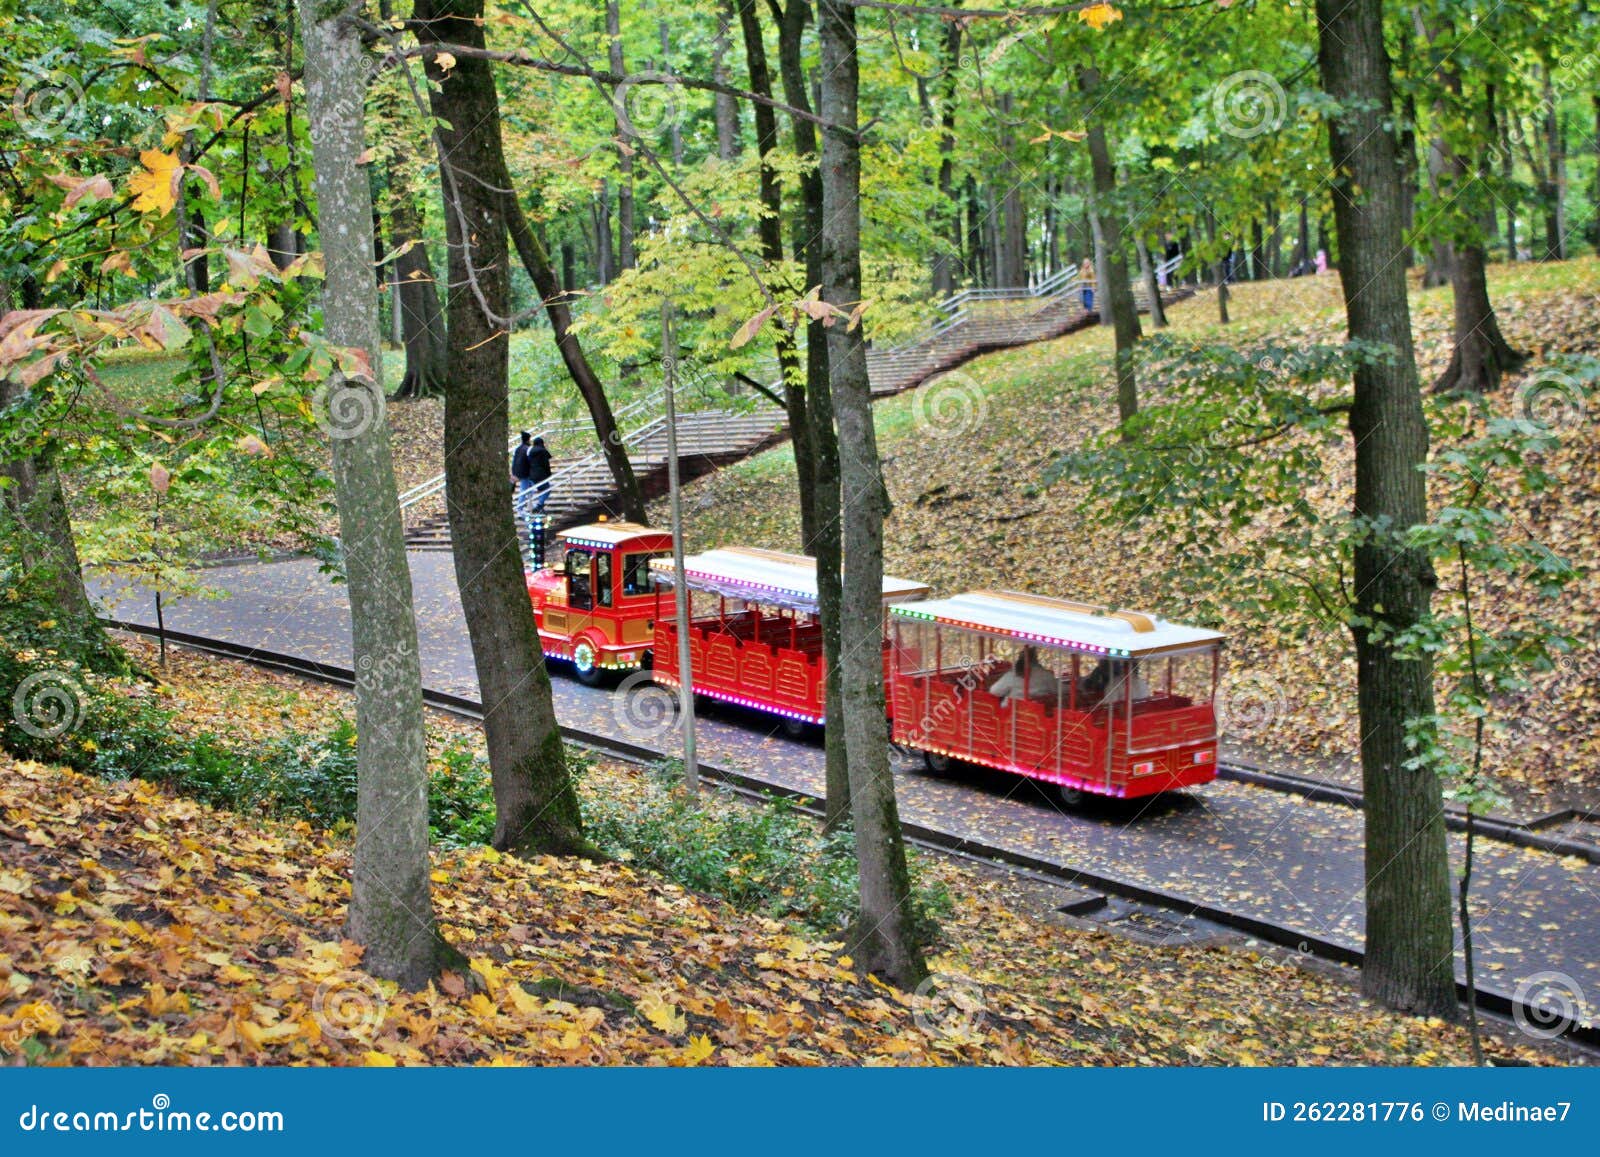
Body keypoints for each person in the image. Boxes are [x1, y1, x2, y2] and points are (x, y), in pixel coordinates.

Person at [988, 647, 1062, 704]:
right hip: (1037, 712)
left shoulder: (1013, 674)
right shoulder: (1046, 675)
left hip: (1011, 712)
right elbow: (1058, 689)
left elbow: (994, 691)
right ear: (1035, 659)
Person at [1079, 657, 1149, 705]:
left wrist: (1095, 704)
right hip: (1140, 713)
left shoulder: (1115, 684)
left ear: (1123, 667)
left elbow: (1108, 703)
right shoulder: (1142, 683)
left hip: (1121, 717)